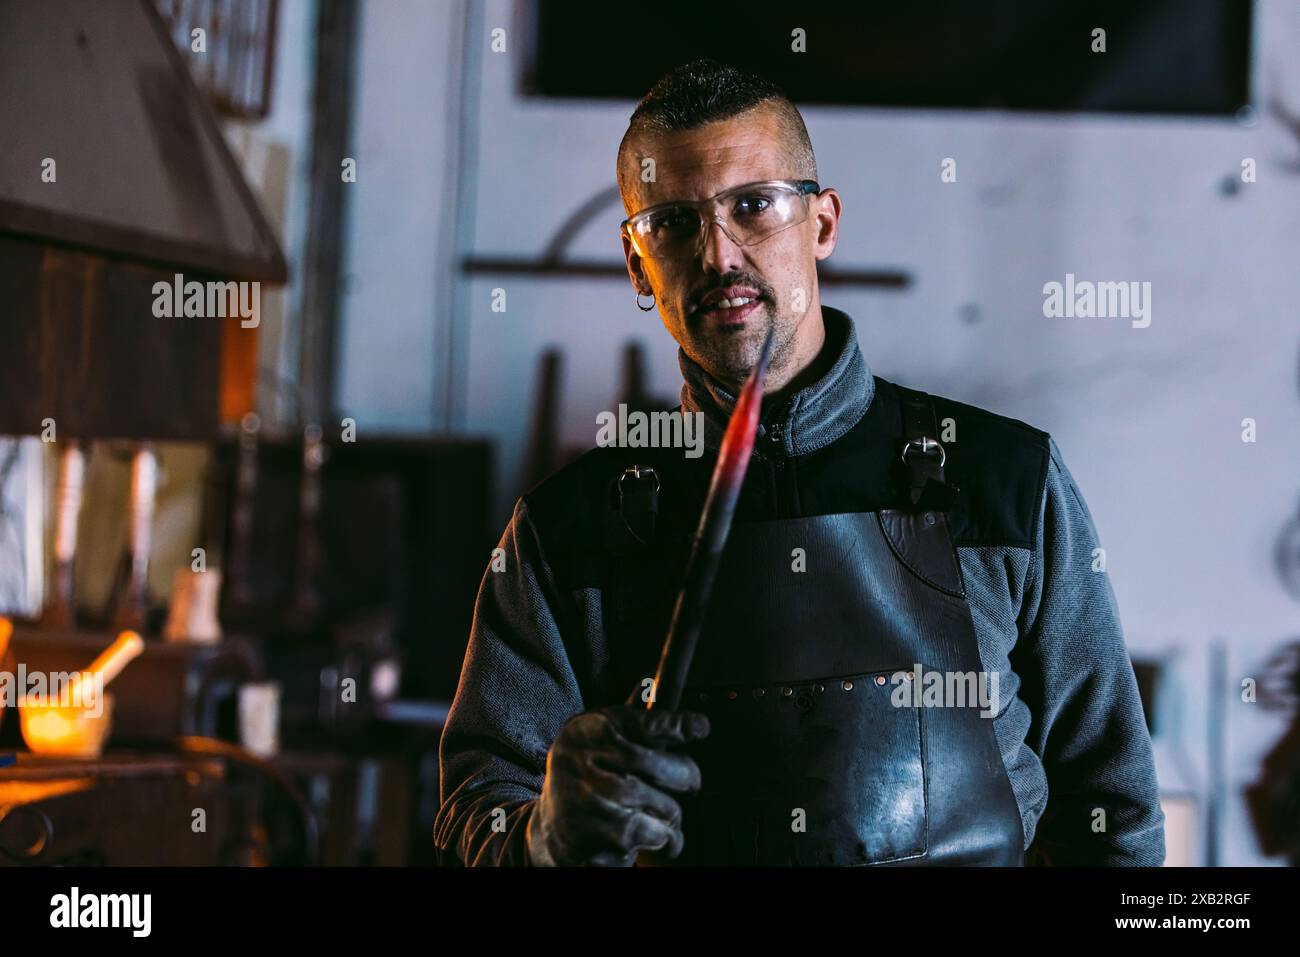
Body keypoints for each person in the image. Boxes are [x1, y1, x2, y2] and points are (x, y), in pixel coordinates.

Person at [434, 58, 1165, 867]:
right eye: (673, 223)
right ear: (638, 263)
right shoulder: (567, 531)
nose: (717, 254)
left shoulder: (1006, 481)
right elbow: (477, 807)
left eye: (753, 206)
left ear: (822, 224)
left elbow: (1114, 812)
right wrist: (542, 838)